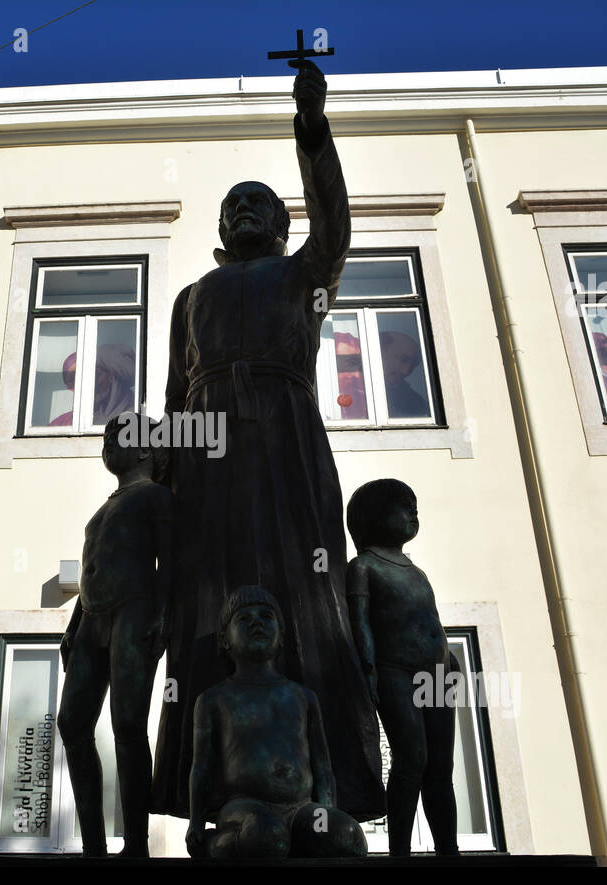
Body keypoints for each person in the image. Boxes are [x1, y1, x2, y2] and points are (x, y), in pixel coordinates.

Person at [154, 57, 384, 824]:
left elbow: (337, 226)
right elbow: (173, 395)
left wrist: (313, 130)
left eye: (258, 203)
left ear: (283, 226)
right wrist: (160, 479)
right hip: (209, 440)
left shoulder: (303, 276)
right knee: (204, 588)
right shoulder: (192, 296)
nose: (244, 210)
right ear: (220, 228)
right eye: (233, 205)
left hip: (285, 431)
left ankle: (331, 780)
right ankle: (206, 779)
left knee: (306, 580)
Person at [57, 414, 172, 857]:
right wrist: (73, 626)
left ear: (144, 448)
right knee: (72, 724)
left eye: (115, 437)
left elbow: (171, 563)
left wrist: (163, 616)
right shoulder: (103, 507)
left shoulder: (157, 498)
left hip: (134, 610)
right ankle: (93, 846)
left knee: (127, 724)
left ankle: (137, 844)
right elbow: (88, 575)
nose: (106, 443)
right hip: (91, 617)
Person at [186, 586, 367, 859]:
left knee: (347, 837)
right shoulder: (214, 699)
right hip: (243, 807)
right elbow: (201, 767)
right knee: (265, 837)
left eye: (266, 616)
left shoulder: (303, 697)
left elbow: (322, 766)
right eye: (244, 619)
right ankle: (216, 844)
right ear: (225, 639)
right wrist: (196, 822)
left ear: (281, 635)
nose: (256, 622)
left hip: (300, 808)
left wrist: (328, 814)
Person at [346, 478, 459, 857]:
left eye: (414, 506)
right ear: (375, 516)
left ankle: (448, 848)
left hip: (441, 671)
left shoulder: (416, 570)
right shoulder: (363, 566)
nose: (413, 512)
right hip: (395, 670)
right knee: (412, 758)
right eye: (404, 505)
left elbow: (433, 621)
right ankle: (400, 852)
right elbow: (361, 621)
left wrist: (450, 662)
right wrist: (369, 667)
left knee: (441, 767)